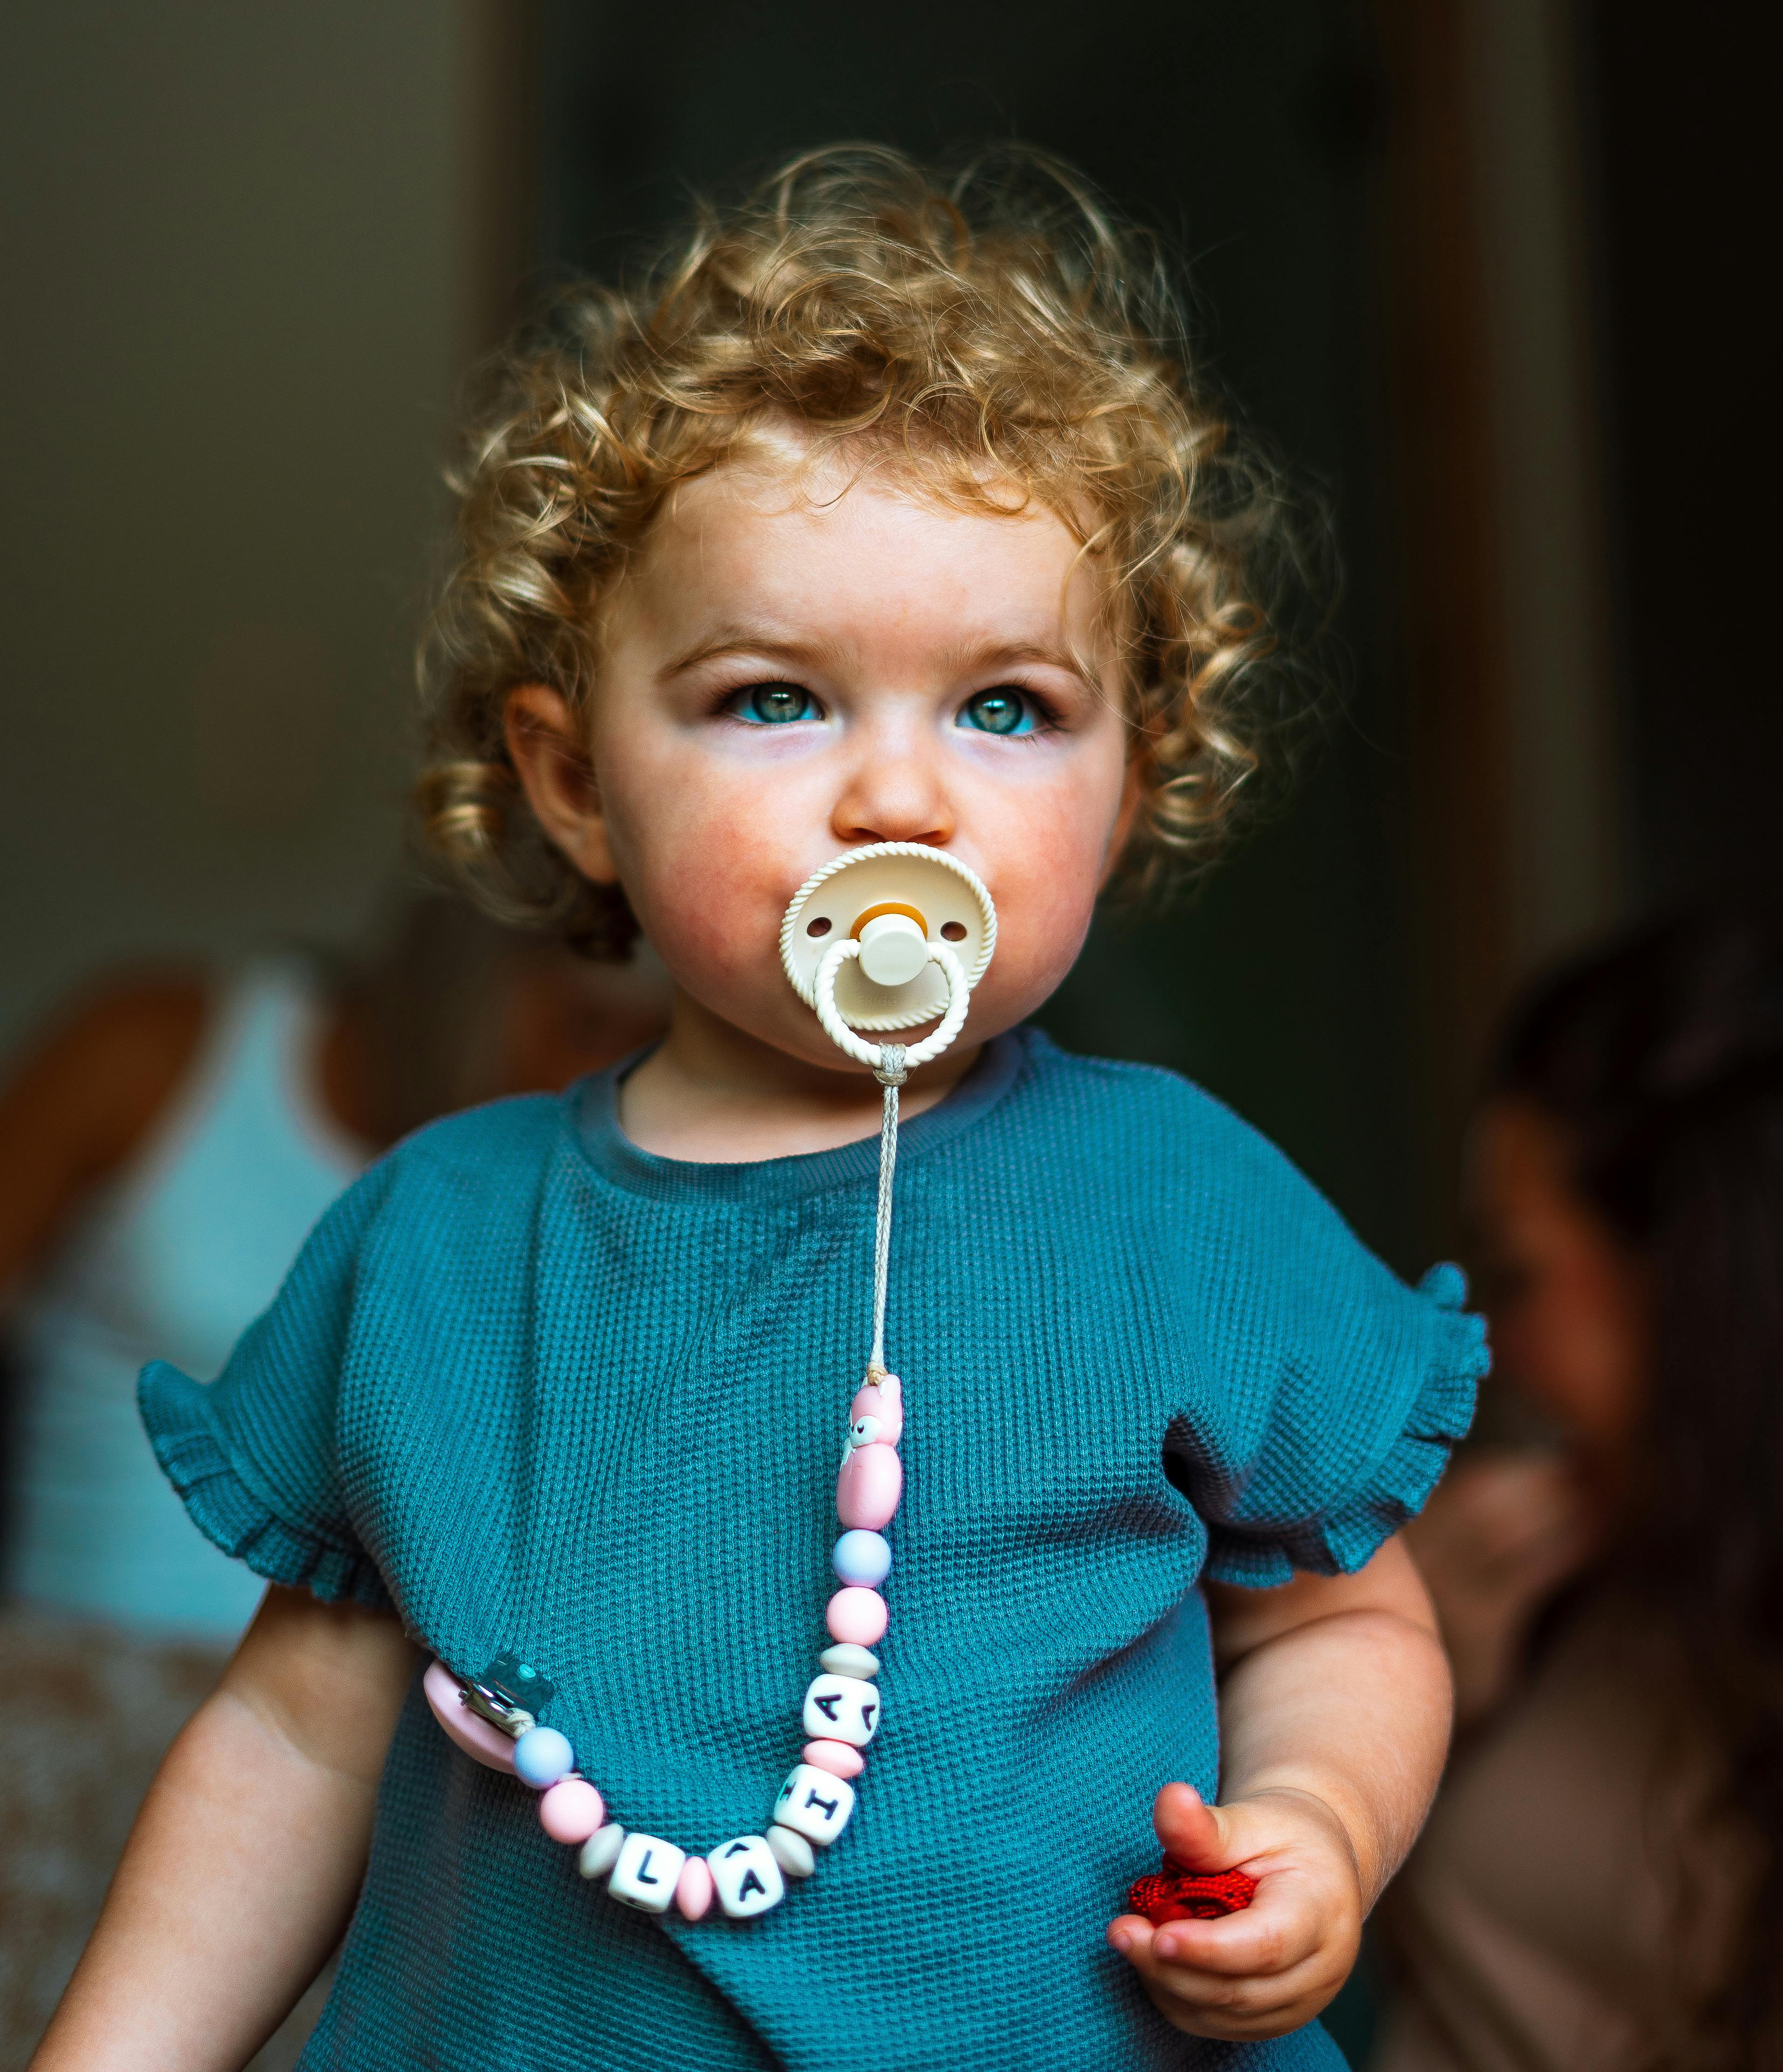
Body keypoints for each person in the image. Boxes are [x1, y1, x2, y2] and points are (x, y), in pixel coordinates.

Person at [35, 146, 1485, 2072]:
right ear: (571, 782)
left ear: (1130, 782)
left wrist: (1322, 1828)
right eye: (775, 699)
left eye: (1008, 710)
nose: (902, 799)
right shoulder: (438, 1240)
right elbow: (299, 1729)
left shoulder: (1178, 1206)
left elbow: (1338, 1631)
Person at [0, 891, 670, 1638]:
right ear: (466, 982)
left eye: (647, 1052)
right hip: (81, 1662)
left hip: (351, 1717)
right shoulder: (158, 1052)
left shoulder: (566, 1187)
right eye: (585, 1027)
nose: (605, 1082)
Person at [1374, 897, 1783, 2072]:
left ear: (1694, 1284)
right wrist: (1402, 1681)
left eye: (1520, 1274)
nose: (1485, 1344)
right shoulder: (1579, 1585)